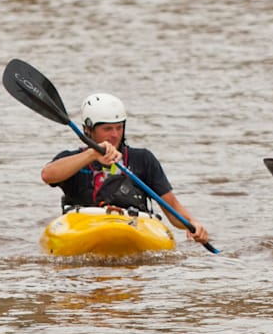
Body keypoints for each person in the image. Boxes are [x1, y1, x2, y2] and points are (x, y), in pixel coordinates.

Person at [39, 92, 211, 244]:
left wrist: (191, 223)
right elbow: (48, 175)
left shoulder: (143, 159)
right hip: (84, 225)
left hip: (133, 226)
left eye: (119, 127)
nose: (114, 134)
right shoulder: (73, 159)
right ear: (88, 130)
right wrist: (91, 155)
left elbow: (172, 207)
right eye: (107, 128)